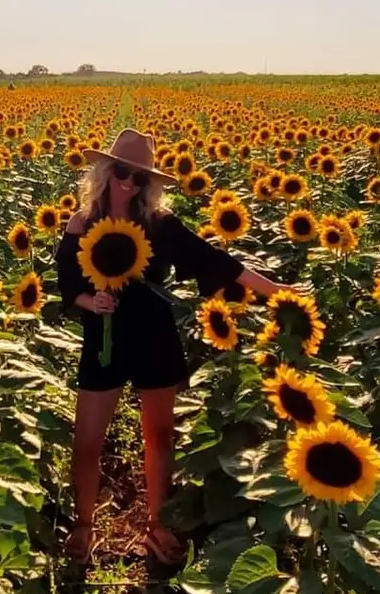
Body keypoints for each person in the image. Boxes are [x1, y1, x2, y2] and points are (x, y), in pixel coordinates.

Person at [55, 129, 294, 565]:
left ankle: (159, 525)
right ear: (107, 171)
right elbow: (67, 284)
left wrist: (275, 289)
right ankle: (84, 526)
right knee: (87, 441)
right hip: (104, 338)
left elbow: (217, 262)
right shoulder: (81, 223)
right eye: (123, 173)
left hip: (153, 333)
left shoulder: (159, 225)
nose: (130, 183)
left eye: (140, 178)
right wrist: (92, 300)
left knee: (159, 436)